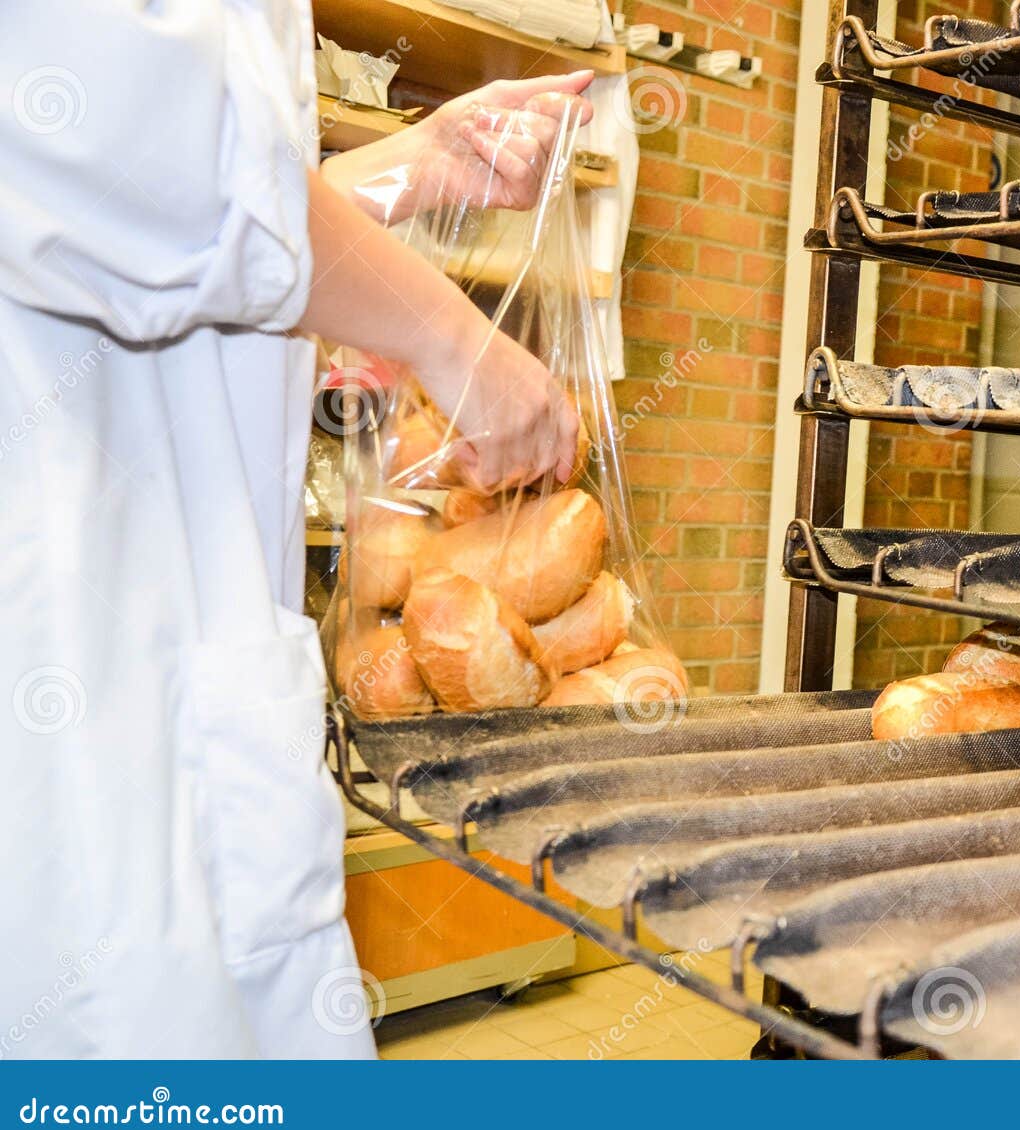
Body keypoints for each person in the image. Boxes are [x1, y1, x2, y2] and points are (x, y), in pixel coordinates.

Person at [0, 2, 587, 1057]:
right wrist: (454, 339)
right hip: (76, 638)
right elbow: (134, 157)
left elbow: (173, 210)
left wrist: (421, 164)